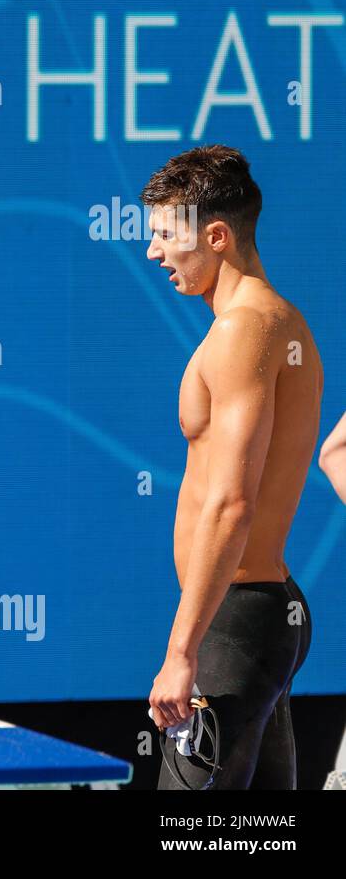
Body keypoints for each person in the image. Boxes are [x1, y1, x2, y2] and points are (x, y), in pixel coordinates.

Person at [142, 146, 318, 789]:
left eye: (165, 235)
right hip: (256, 616)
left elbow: (231, 502)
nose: (154, 252)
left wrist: (182, 652)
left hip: (236, 623)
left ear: (216, 236)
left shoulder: (246, 329)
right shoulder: (279, 322)